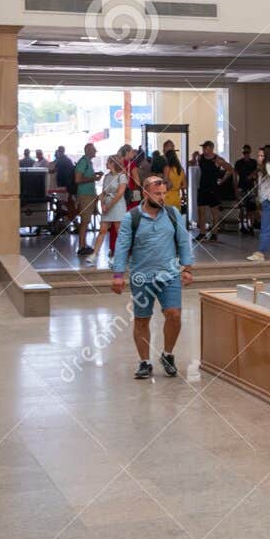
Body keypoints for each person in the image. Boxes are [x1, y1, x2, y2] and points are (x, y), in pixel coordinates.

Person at [110, 173, 195, 380]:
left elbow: (184, 241)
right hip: (142, 277)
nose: (161, 197)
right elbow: (122, 246)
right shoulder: (133, 217)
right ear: (145, 193)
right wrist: (118, 274)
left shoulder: (173, 214)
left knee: (174, 314)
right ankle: (144, 362)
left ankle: (167, 354)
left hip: (170, 275)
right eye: (157, 194)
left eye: (164, 193)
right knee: (142, 319)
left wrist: (187, 268)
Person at [96, 153, 128, 259]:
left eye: (108, 162)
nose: (106, 164)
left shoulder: (122, 176)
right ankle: (94, 254)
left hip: (117, 205)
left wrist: (108, 206)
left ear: (113, 163)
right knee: (102, 230)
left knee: (119, 230)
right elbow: (103, 192)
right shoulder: (107, 176)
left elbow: (120, 194)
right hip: (107, 204)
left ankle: (122, 253)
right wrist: (102, 204)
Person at [74, 141, 99, 258]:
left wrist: (94, 176)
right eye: (94, 149)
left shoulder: (88, 163)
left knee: (86, 221)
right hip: (85, 195)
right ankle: (81, 246)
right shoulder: (83, 162)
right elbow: (78, 179)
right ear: (88, 150)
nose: (95, 151)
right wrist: (93, 178)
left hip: (89, 194)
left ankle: (83, 244)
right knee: (84, 221)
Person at [233, 145, 258, 234]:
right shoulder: (238, 163)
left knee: (251, 208)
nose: (245, 154)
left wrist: (257, 188)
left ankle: (250, 226)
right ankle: (243, 226)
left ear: (250, 152)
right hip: (241, 187)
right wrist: (236, 189)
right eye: (244, 152)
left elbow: (256, 175)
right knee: (242, 209)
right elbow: (235, 176)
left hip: (251, 187)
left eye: (247, 152)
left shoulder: (253, 162)